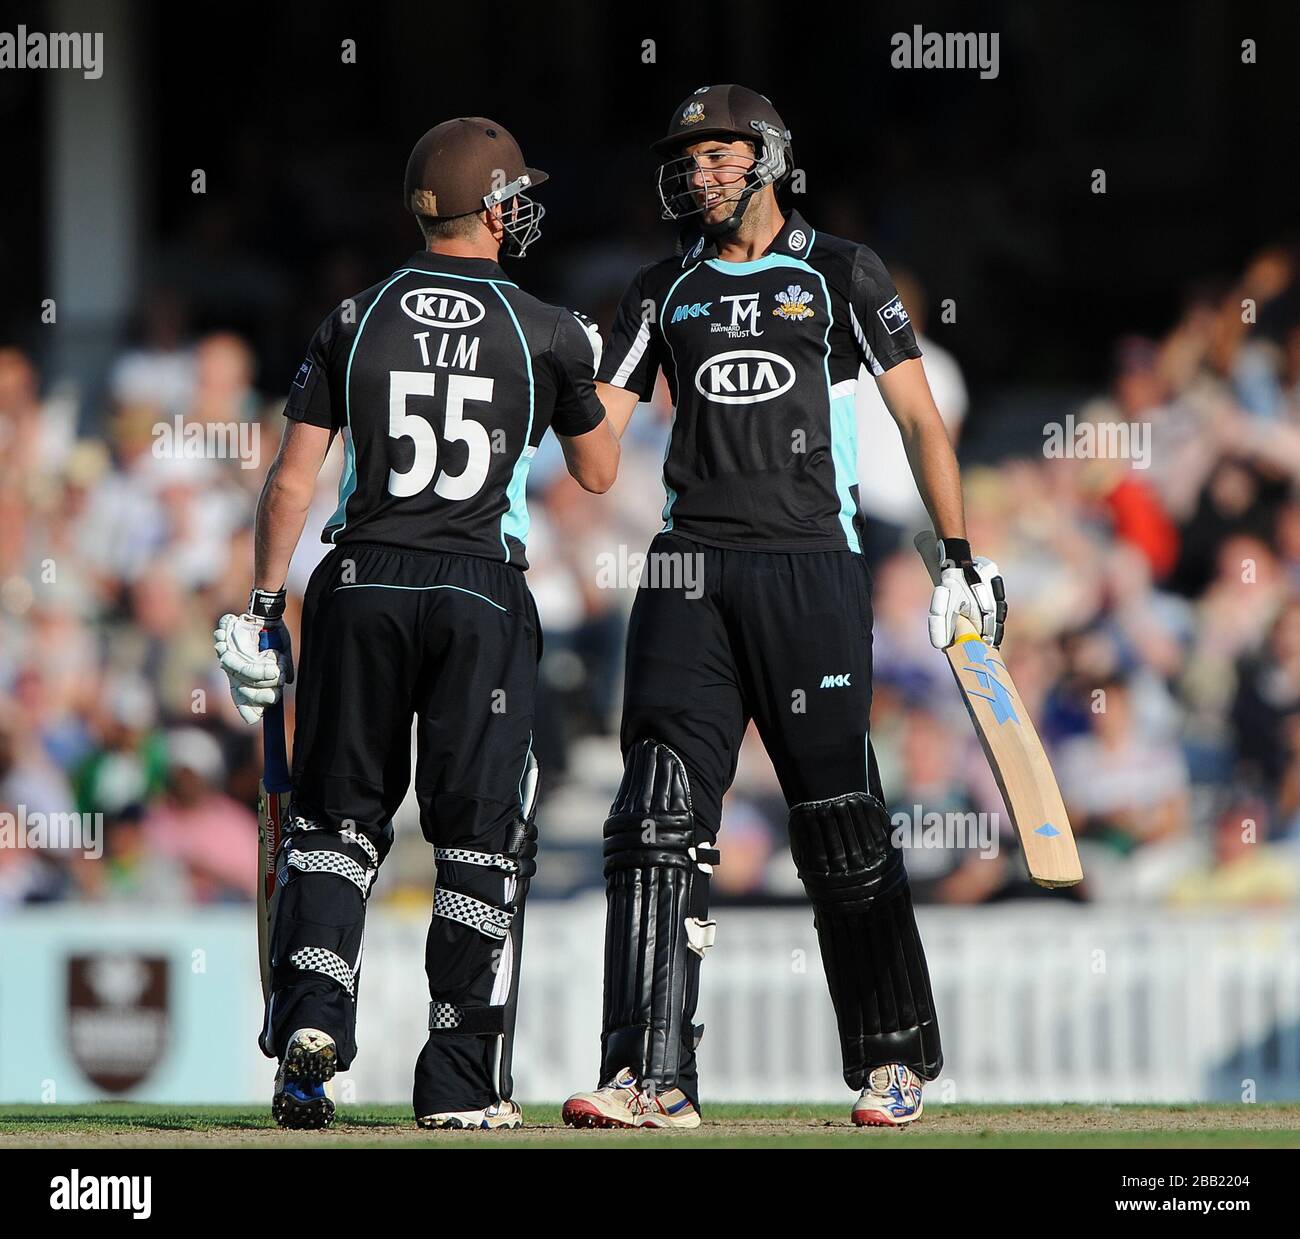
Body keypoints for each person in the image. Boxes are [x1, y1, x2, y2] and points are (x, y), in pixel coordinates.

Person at [562, 85, 1005, 1130]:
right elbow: (592, 466)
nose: (700, 174)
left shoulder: (840, 272)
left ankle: (892, 1065)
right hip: (686, 574)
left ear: (768, 158)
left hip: (811, 567)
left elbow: (919, 424)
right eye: (688, 158)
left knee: (839, 821)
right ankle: (652, 1075)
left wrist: (960, 561)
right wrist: (557, 371)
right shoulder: (659, 287)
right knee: (656, 817)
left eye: (720, 155)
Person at [214, 117, 619, 1131]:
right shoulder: (548, 327)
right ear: (491, 208)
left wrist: (265, 609)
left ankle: (311, 1026)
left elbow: (289, 483)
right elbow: (601, 470)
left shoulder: (353, 316)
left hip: (357, 583)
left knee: (335, 827)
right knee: (477, 843)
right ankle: (457, 1083)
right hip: (480, 585)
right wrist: (609, 366)